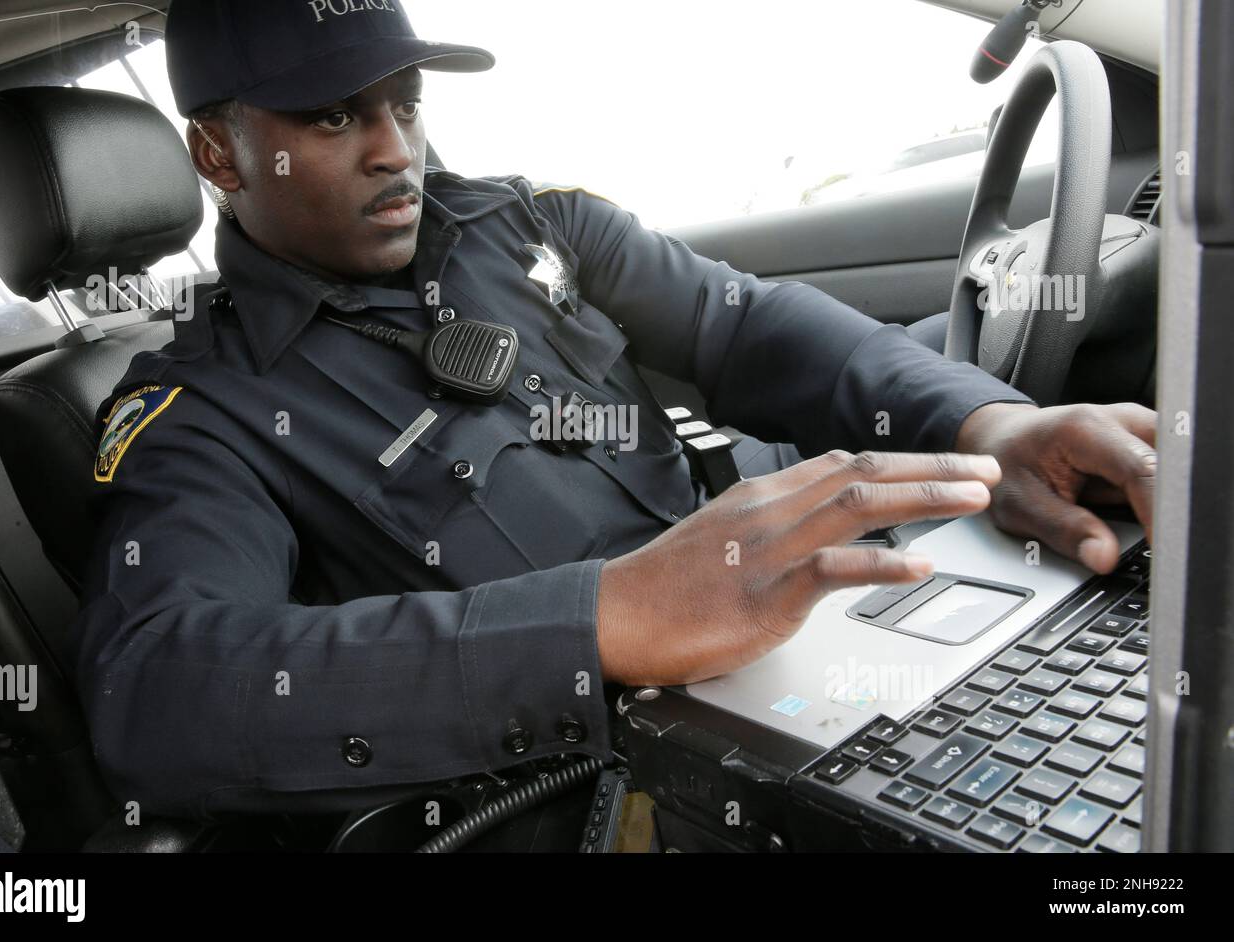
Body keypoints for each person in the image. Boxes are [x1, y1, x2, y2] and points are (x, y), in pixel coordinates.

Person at [71, 0, 1156, 831]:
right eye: (333, 115)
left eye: (404, 102)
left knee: (1130, 741)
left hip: (803, 652)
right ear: (220, 155)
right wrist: (603, 621)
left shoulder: (528, 224)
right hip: (604, 779)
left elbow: (746, 329)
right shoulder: (196, 408)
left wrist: (985, 426)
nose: (395, 147)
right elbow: (159, 688)